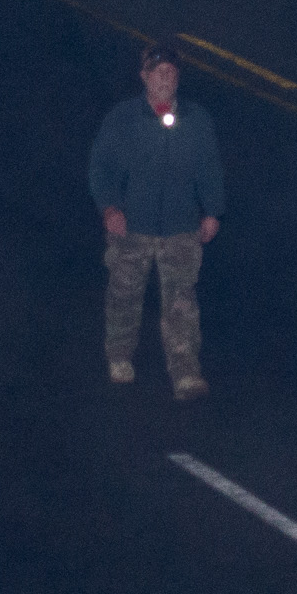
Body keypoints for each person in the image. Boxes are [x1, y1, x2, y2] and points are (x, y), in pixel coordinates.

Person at [90, 43, 225, 400]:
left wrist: (212, 210)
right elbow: (100, 166)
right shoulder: (123, 118)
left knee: (181, 301)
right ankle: (119, 355)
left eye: (172, 73)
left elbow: (209, 167)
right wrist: (109, 208)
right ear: (144, 77)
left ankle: (185, 373)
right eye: (159, 72)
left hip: (181, 227)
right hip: (131, 226)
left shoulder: (197, 120)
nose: (166, 78)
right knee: (124, 294)